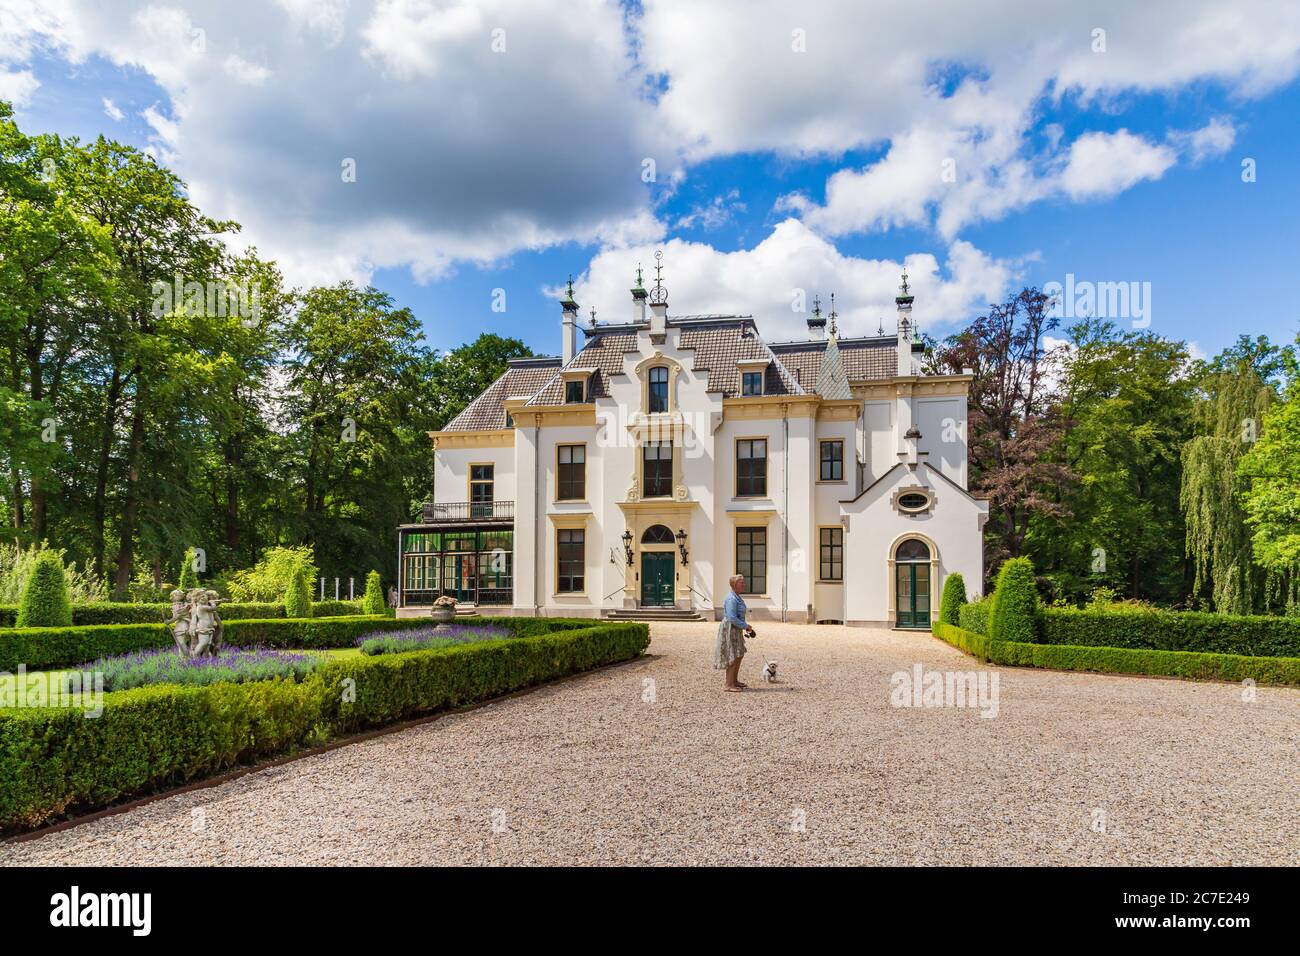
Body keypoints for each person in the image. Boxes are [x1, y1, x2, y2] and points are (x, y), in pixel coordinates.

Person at [715, 573, 756, 692]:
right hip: (730, 629)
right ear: (734, 585)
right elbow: (732, 617)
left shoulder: (736, 596)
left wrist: (745, 627)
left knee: (739, 654)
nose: (744, 584)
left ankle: (734, 680)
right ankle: (728, 684)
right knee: (733, 655)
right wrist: (745, 626)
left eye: (744, 582)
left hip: (736, 628)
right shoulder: (731, 598)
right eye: (741, 583)